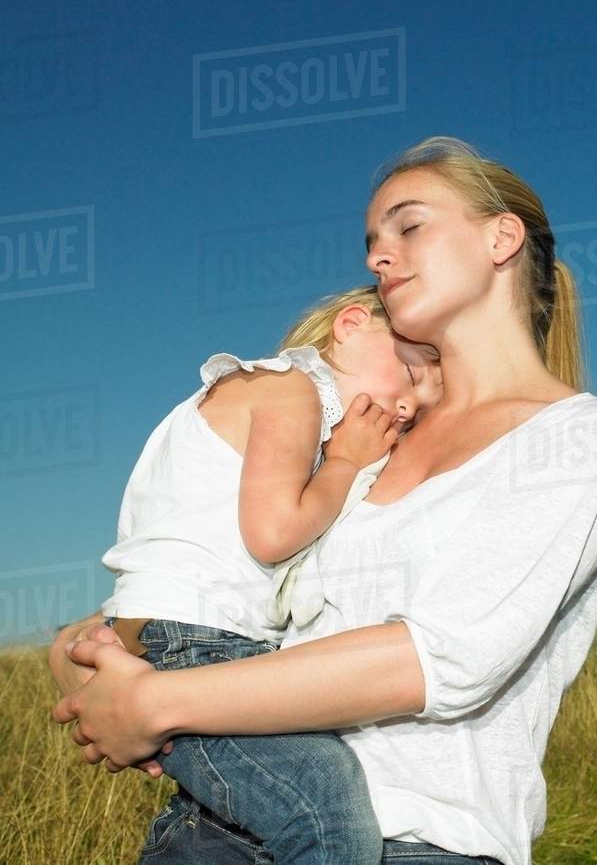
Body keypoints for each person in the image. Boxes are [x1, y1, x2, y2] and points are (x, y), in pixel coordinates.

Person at [50, 137, 597, 865]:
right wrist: (81, 652)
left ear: (502, 237)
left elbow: (439, 661)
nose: (377, 256)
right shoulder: (365, 442)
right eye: (371, 241)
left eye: (409, 225)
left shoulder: (577, 437)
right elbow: (223, 580)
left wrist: (158, 704)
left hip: (414, 842)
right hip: (214, 833)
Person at [54, 286, 443, 864]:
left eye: (426, 404)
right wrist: (344, 464)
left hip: (180, 635)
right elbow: (273, 535)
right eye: (412, 373)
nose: (410, 406)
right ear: (353, 324)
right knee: (327, 815)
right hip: (194, 641)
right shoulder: (289, 391)